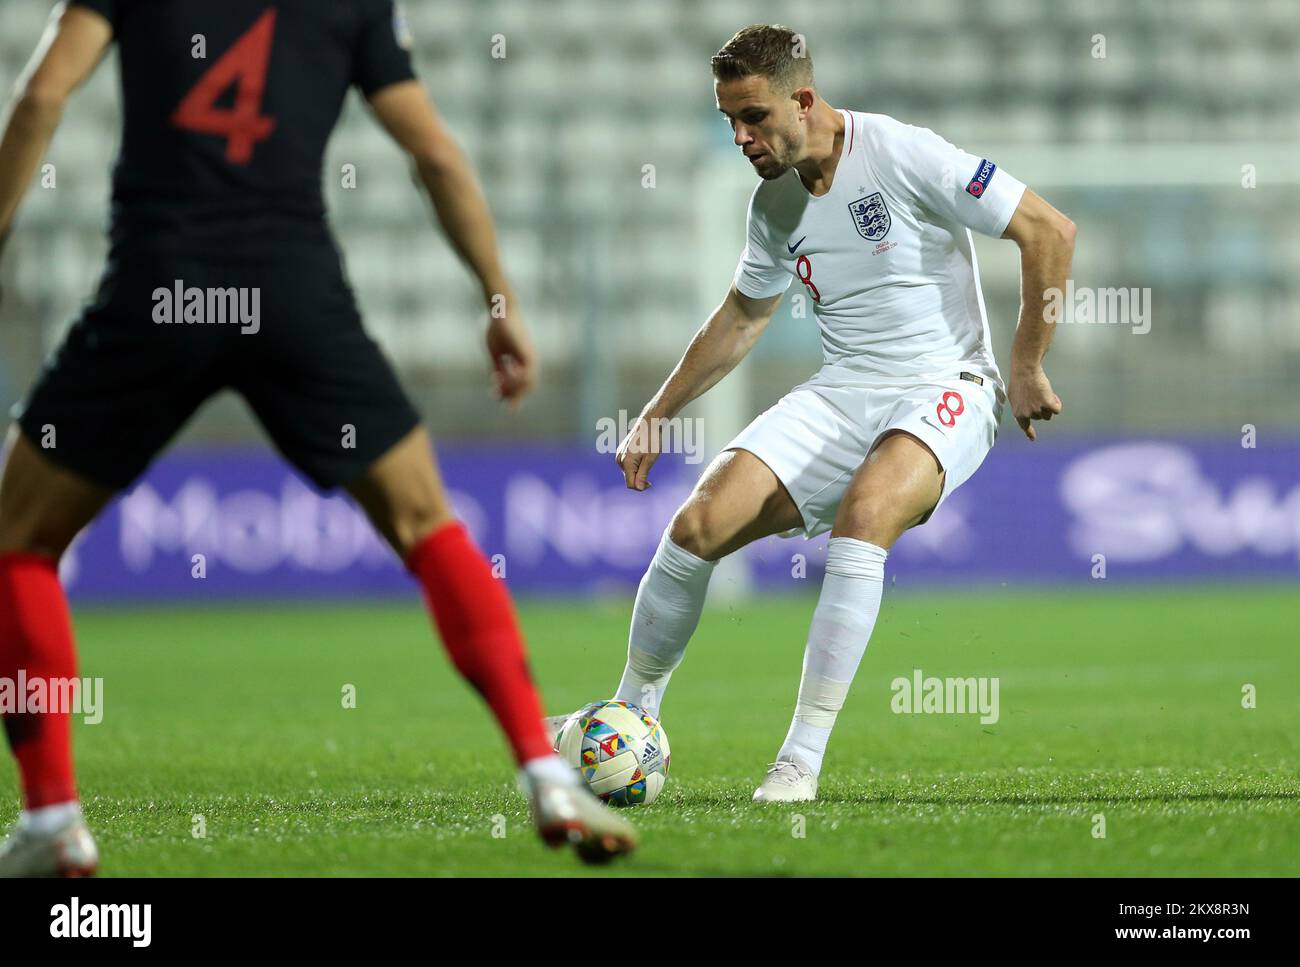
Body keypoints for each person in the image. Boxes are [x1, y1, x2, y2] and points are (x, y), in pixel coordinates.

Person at [0, 0, 634, 875]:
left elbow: (40, 96)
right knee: (428, 524)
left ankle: (54, 819)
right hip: (293, 290)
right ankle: (542, 769)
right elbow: (434, 153)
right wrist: (499, 298)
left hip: (160, 287)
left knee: (19, 542)